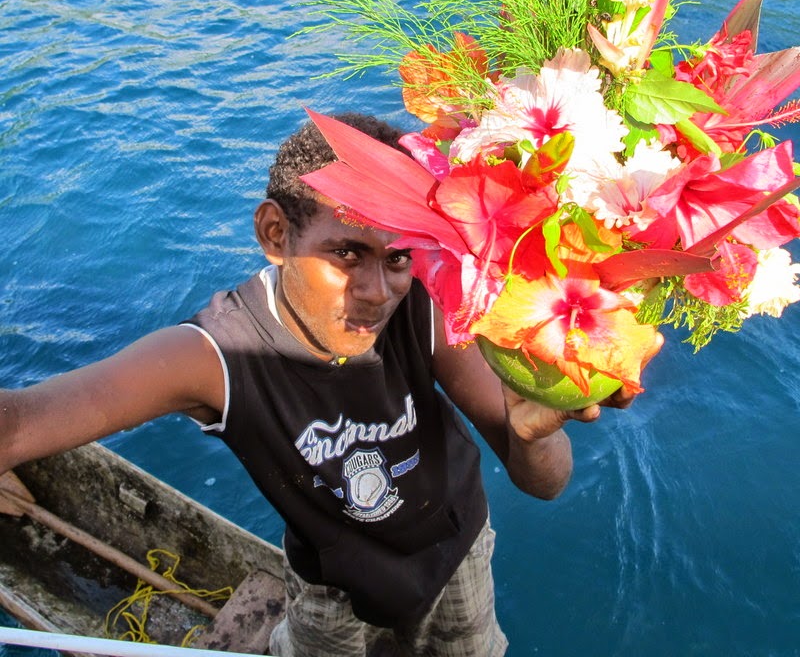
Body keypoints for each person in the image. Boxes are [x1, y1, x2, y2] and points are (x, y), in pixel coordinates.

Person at [0, 112, 634, 657]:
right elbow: (22, 421)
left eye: (398, 257)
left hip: (456, 546)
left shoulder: (428, 304)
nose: (377, 292)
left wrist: (531, 433)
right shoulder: (219, 355)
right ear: (276, 235)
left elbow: (545, 483)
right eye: (346, 254)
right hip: (331, 581)